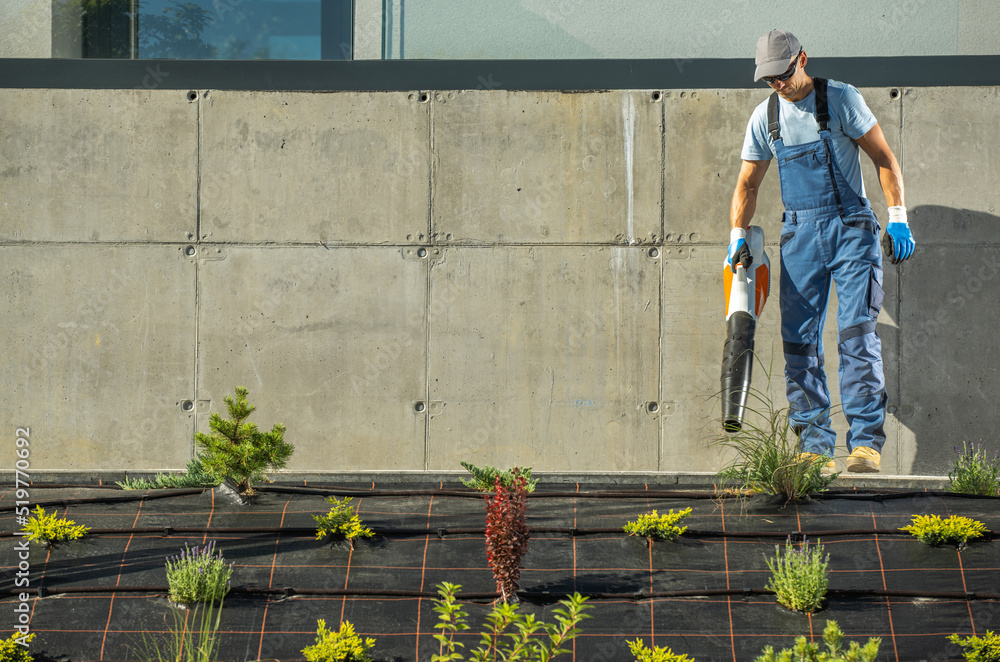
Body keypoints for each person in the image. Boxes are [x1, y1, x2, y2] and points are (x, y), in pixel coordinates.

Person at [727, 29, 916, 473]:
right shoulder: (766, 116)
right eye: (769, 78)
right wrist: (737, 233)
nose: (778, 83)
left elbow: (884, 159)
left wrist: (898, 215)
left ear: (802, 59)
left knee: (857, 334)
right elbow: (748, 184)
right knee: (799, 343)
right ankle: (814, 444)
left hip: (851, 228)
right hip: (799, 236)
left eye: (784, 73)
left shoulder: (841, 99)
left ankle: (866, 443)